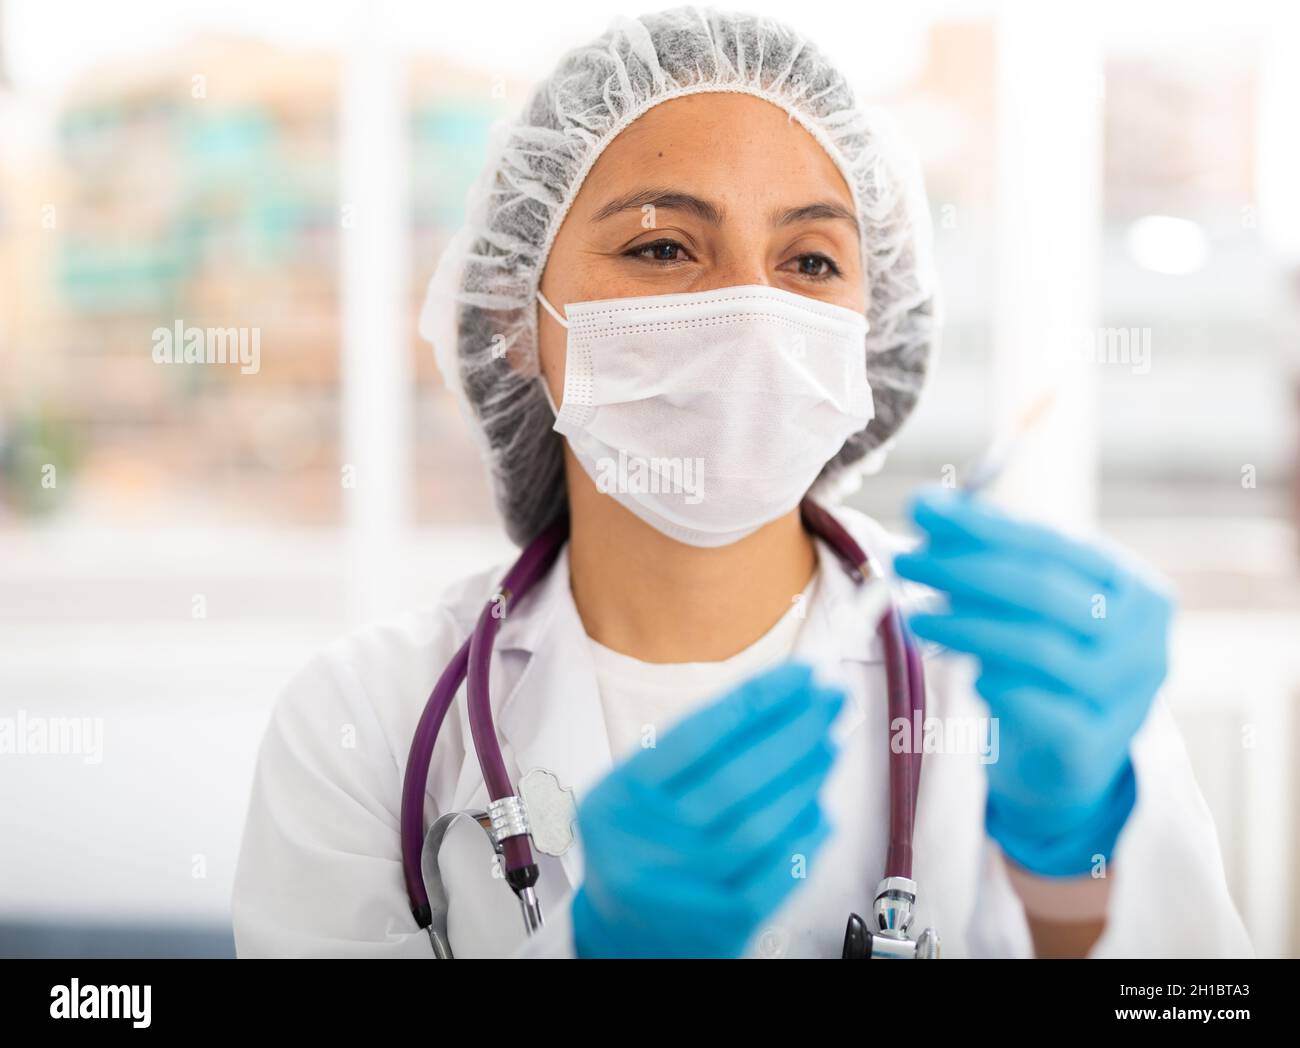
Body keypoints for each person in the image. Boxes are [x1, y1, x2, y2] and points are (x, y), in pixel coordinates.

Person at [231, 6, 1251, 959]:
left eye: (809, 262)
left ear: (873, 322)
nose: (752, 317)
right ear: (511, 319)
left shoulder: (1011, 682)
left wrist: (1071, 864)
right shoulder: (366, 719)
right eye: (663, 245)